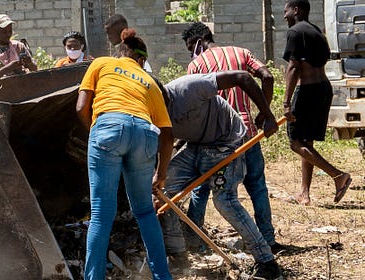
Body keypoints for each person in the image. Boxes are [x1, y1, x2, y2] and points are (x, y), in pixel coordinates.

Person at [159, 71, 281, 280]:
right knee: (162, 192)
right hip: (195, 147)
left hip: (226, 144)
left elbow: (243, 77)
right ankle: (179, 256)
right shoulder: (149, 112)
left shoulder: (188, 88)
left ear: (162, 96)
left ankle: (266, 261)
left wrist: (268, 115)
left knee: (225, 201)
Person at [76, 28, 173, 280]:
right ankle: (163, 277)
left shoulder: (100, 63)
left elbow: (81, 107)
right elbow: (167, 134)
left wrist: (97, 132)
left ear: (120, 52)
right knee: (145, 211)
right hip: (144, 134)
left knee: (101, 213)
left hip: (108, 128)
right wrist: (161, 174)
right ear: (141, 60)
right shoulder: (150, 82)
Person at [180, 22, 281, 252]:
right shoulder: (241, 53)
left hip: (217, 139)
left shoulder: (196, 65)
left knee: (202, 187)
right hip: (247, 134)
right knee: (257, 186)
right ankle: (268, 239)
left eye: (190, 47)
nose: (191, 53)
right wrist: (264, 113)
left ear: (198, 42)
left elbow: (194, 105)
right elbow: (267, 77)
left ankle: (194, 241)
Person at [281, 0, 352, 205]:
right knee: (306, 141)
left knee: (295, 142)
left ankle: (338, 176)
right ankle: (304, 194)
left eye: (286, 12)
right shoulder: (317, 32)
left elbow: (293, 68)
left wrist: (286, 103)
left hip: (308, 91)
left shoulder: (295, 32)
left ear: (296, 10)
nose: (284, 17)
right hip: (323, 89)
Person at [0, 14, 37, 82]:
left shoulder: (19, 46)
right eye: (4, 32)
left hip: (21, 86)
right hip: (0, 88)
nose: (8, 34)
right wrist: (7, 68)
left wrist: (29, 63)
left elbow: (34, 70)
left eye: (10, 31)